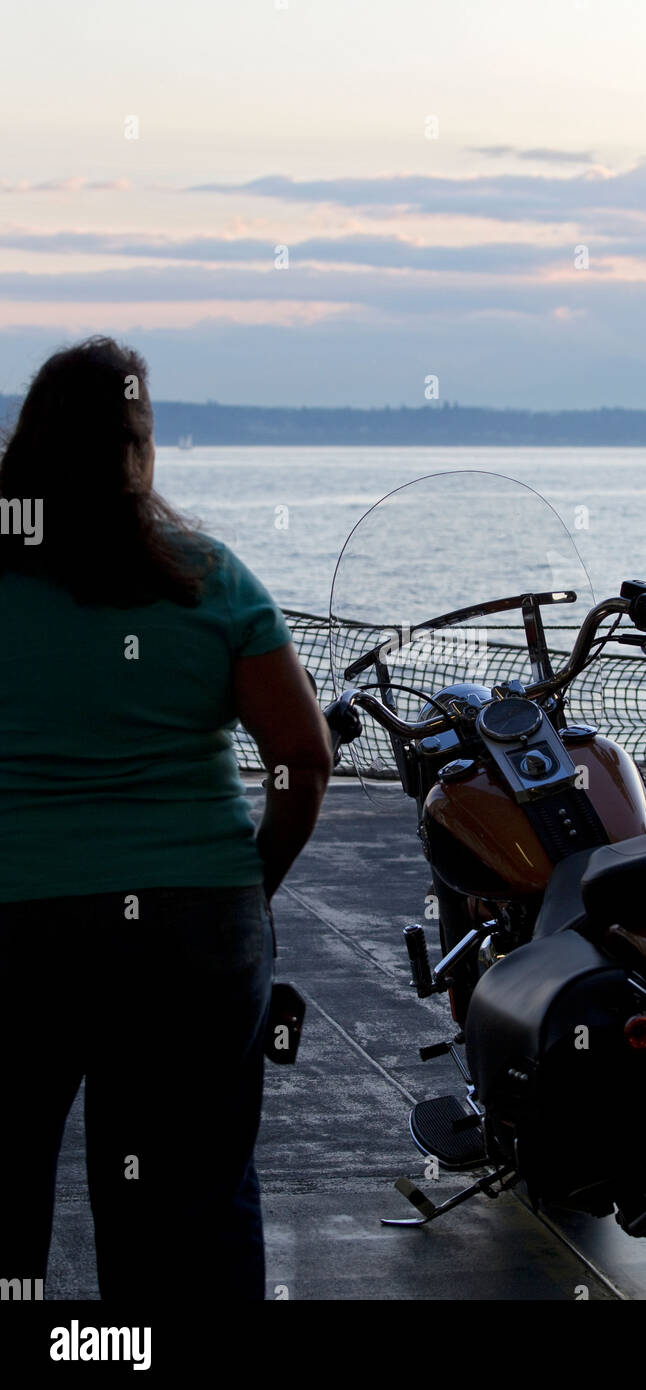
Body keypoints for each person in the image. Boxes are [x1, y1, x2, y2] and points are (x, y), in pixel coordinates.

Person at [0, 336, 333, 1300]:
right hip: (192, 929)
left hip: (16, 924)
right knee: (186, 1208)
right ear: (137, 449)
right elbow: (301, 763)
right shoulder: (206, 576)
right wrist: (247, 888)